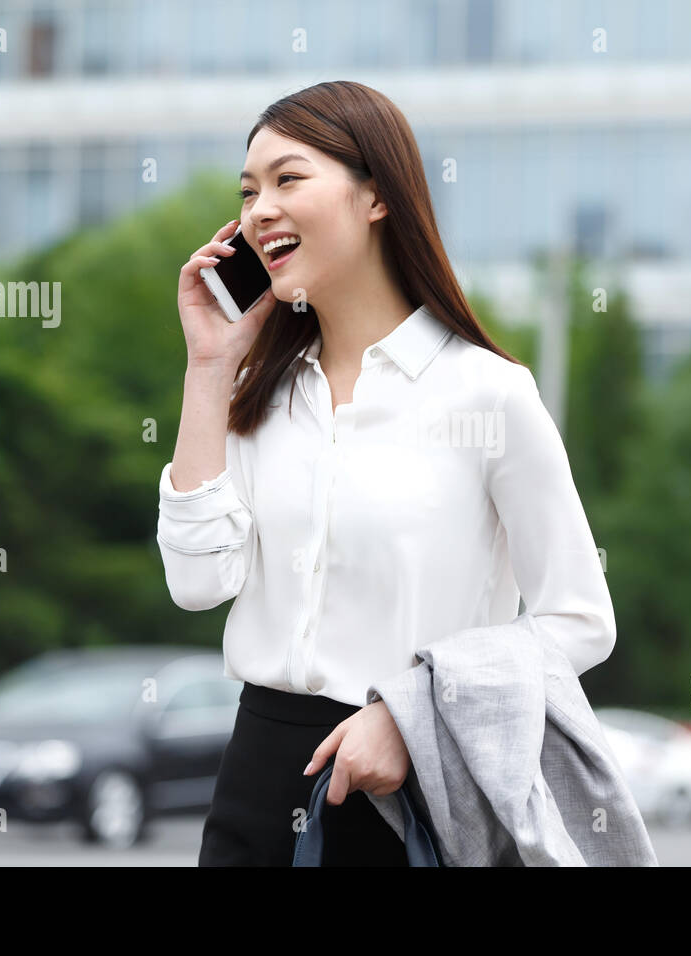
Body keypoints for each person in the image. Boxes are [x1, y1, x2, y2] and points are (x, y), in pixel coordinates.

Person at [159, 80, 616, 866]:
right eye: (248, 191)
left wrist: (413, 715)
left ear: (375, 195)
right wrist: (208, 367)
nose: (260, 208)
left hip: (408, 791)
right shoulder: (254, 392)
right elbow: (197, 583)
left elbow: (580, 620)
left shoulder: (488, 394)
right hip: (254, 782)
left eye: (288, 179)